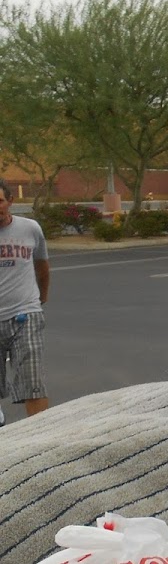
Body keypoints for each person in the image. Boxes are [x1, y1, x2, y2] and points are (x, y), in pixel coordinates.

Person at [0, 180, 51, 425]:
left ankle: (40, 438)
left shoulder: (30, 228)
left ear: (10, 202)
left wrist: (43, 295)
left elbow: (42, 264)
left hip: (25, 314)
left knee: (33, 383)